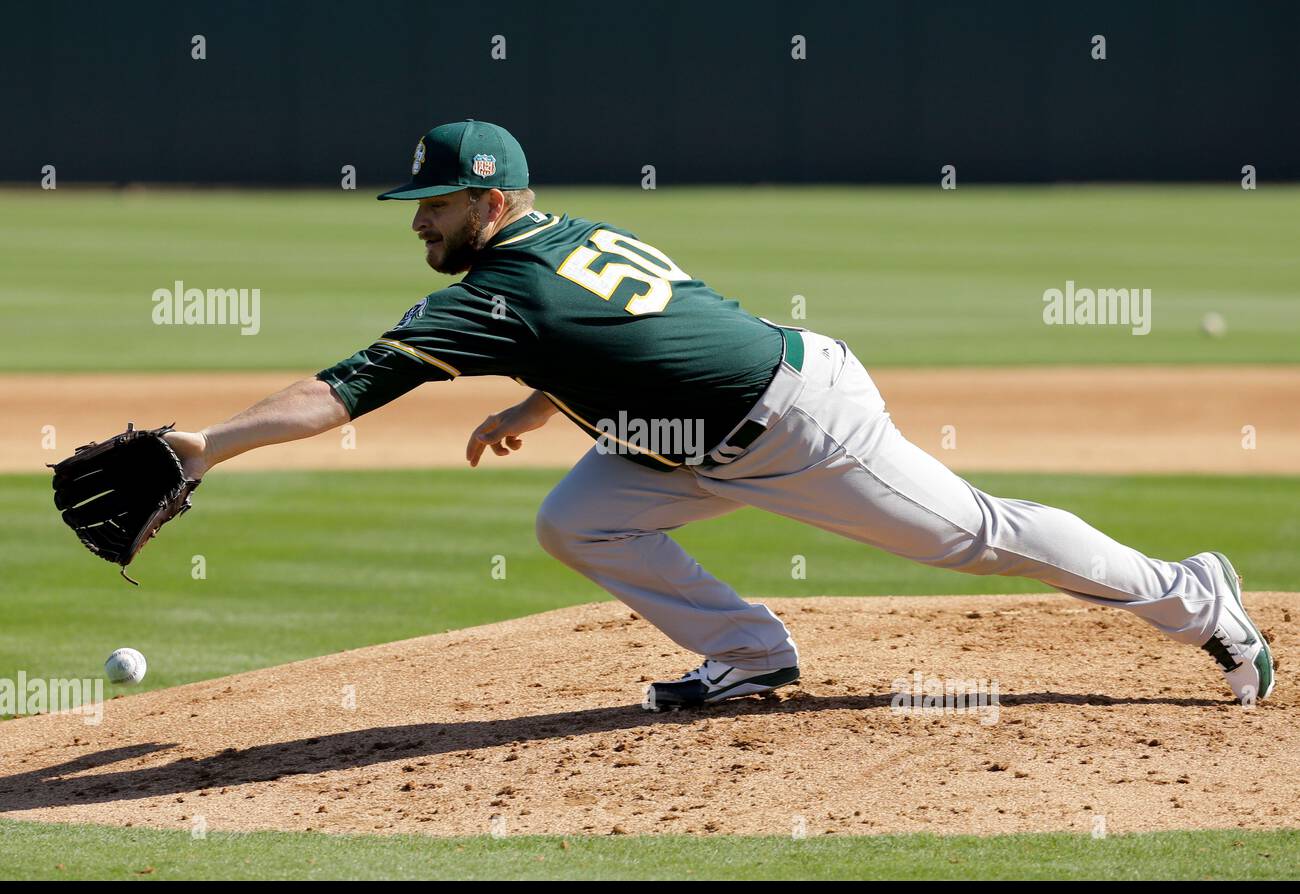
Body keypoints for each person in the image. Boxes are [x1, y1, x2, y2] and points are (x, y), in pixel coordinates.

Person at [165, 120, 1275, 709]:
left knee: (975, 536)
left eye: (435, 204)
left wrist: (205, 446)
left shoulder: (502, 288)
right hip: (690, 432)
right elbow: (638, 329)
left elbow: (337, 389)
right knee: (577, 520)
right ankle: (749, 653)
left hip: (798, 425)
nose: (418, 224)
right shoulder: (569, 237)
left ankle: (1193, 596)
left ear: (491, 201)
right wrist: (544, 401)